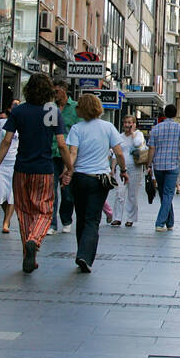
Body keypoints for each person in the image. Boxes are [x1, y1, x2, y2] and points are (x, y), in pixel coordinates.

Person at [0, 73, 66, 273]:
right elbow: (60, 143)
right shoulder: (51, 111)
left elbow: (6, 141)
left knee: (24, 212)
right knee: (44, 210)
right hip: (44, 169)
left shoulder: (19, 111)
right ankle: (34, 241)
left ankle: (27, 255)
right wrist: (70, 166)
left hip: (21, 169)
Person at [64, 92, 127, 272]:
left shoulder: (77, 128)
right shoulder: (108, 127)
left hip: (80, 178)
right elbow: (119, 152)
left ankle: (81, 252)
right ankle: (85, 256)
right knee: (93, 219)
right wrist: (123, 170)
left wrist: (68, 170)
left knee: (81, 218)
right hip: (99, 180)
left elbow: (73, 154)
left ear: (82, 108)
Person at [147, 103, 180, 231]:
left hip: (159, 165)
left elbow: (151, 148)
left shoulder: (156, 128)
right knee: (168, 194)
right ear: (176, 114)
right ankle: (160, 223)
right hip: (172, 165)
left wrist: (149, 164)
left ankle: (170, 222)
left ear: (164, 114)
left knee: (163, 193)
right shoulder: (179, 127)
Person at [49, 82, 79, 235]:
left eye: (57, 91)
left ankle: (66, 220)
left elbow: (79, 131)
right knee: (51, 191)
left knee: (67, 191)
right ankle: (52, 224)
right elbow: (47, 129)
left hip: (68, 154)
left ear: (64, 90)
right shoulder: (50, 108)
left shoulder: (74, 108)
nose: (55, 94)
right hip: (52, 153)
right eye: (53, 91)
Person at [111, 115, 146, 226]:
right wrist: (112, 168)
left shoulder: (138, 135)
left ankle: (130, 218)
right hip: (121, 167)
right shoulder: (119, 136)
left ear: (134, 124)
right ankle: (117, 218)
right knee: (119, 193)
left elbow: (137, 144)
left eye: (129, 122)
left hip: (135, 167)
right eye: (125, 122)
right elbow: (115, 153)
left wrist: (133, 133)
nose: (127, 125)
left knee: (132, 194)